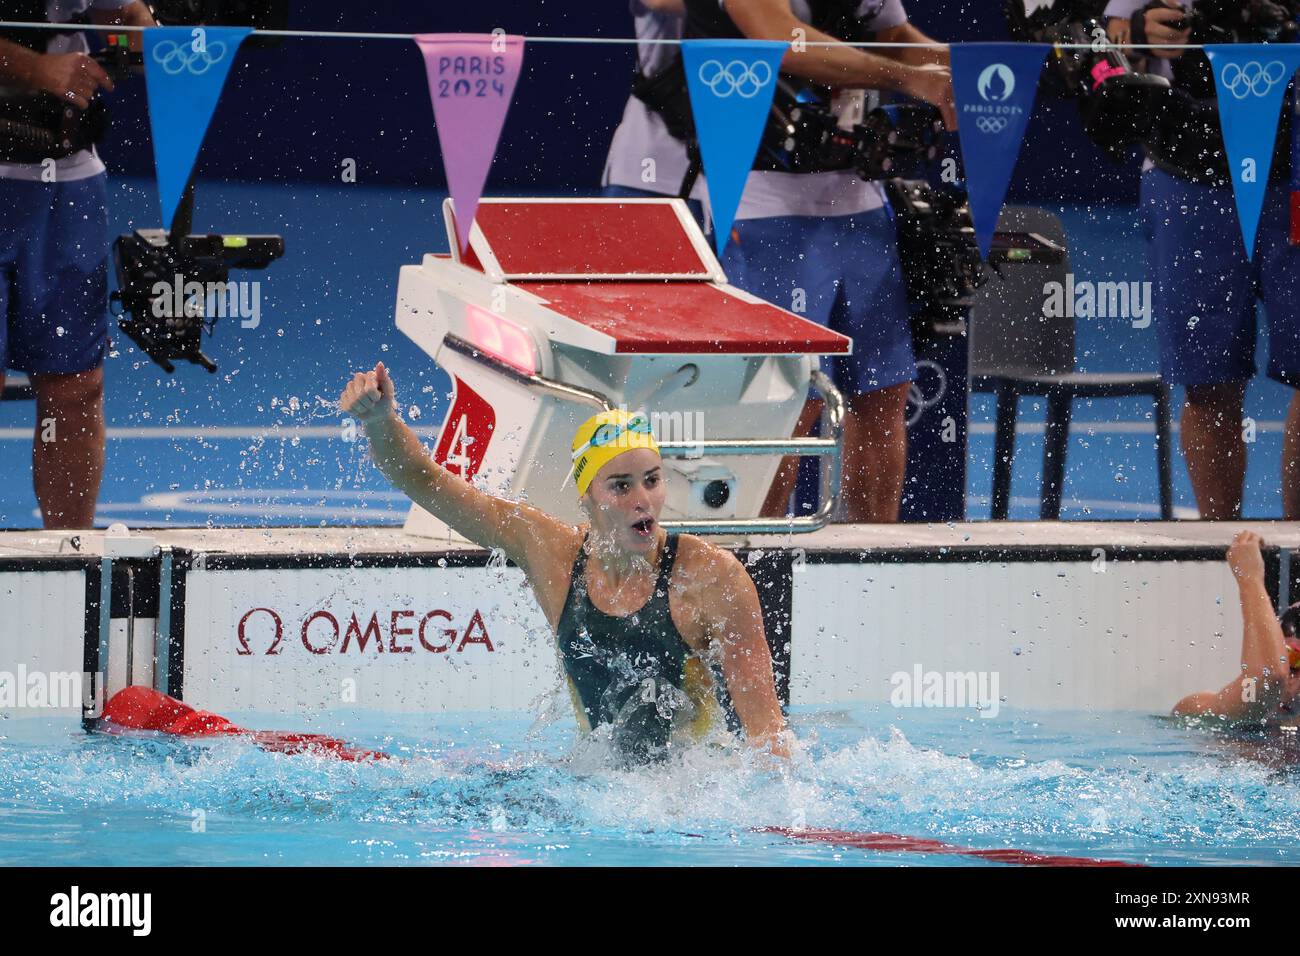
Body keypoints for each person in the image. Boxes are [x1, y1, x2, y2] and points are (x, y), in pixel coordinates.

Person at [339, 362, 792, 765]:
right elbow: (427, 482)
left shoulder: (711, 577)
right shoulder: (550, 553)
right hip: (595, 786)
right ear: (587, 499)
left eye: (652, 480)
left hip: (687, 791)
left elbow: (768, 737)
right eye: (620, 486)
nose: (643, 501)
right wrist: (380, 422)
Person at [680, 0, 956, 522]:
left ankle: (869, 567)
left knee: (881, 395)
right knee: (789, 402)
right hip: (757, 194)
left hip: (859, 194)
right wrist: (910, 78)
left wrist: (960, 65)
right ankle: (757, 575)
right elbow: (782, 38)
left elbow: (893, 34)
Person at [1106, 0, 1300, 520]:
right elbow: (1096, 36)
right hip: (1189, 177)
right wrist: (1139, 26)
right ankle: (1224, 558)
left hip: (1295, 169)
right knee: (1210, 383)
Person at [0, 0, 155, 529]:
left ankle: (72, 562)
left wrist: (134, 23)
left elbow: (118, 15)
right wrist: (37, 69)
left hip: (69, 180)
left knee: (74, 386)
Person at [1173, 530, 1300, 724]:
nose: (1291, 679)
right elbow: (1269, 675)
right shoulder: (1203, 709)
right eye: (1289, 657)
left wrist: (1250, 579)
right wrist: (1249, 580)